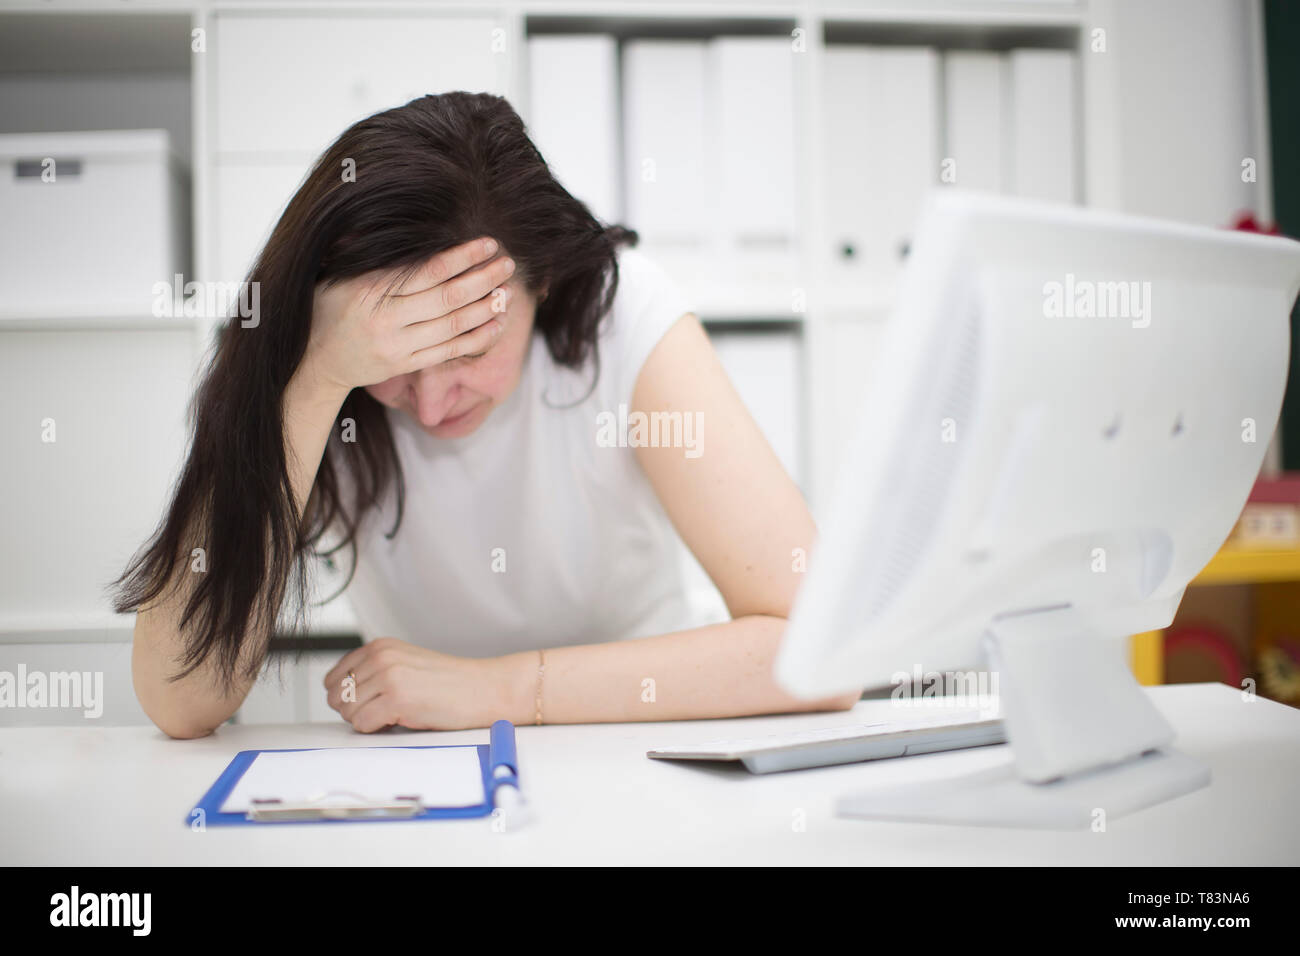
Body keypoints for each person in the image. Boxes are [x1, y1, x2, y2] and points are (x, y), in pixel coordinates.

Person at [115, 92, 859, 738]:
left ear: (544, 283)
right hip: (429, 766)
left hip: (639, 742)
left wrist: (502, 690)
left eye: (471, 345)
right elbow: (180, 702)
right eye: (395, 364)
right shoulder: (321, 359)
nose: (433, 403)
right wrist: (316, 378)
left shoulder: (626, 315)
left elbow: (824, 656)